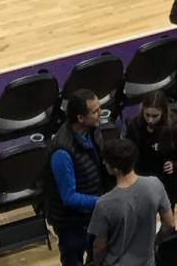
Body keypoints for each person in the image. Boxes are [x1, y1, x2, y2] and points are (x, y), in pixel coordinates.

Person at [46, 92, 113, 266]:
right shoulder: (62, 151)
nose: (101, 113)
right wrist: (103, 201)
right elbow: (69, 197)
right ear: (81, 118)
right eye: (95, 111)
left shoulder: (93, 131)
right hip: (71, 224)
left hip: (93, 214)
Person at [88, 137, 177, 266]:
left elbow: (99, 246)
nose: (103, 163)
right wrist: (154, 243)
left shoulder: (104, 203)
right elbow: (169, 224)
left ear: (115, 169)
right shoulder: (155, 184)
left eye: (105, 161)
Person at [122, 91, 177, 209]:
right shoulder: (134, 125)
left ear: (163, 112)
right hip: (143, 180)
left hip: (168, 182)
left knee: (167, 218)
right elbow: (128, 152)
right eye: (147, 115)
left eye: (155, 116)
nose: (150, 120)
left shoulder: (175, 126)